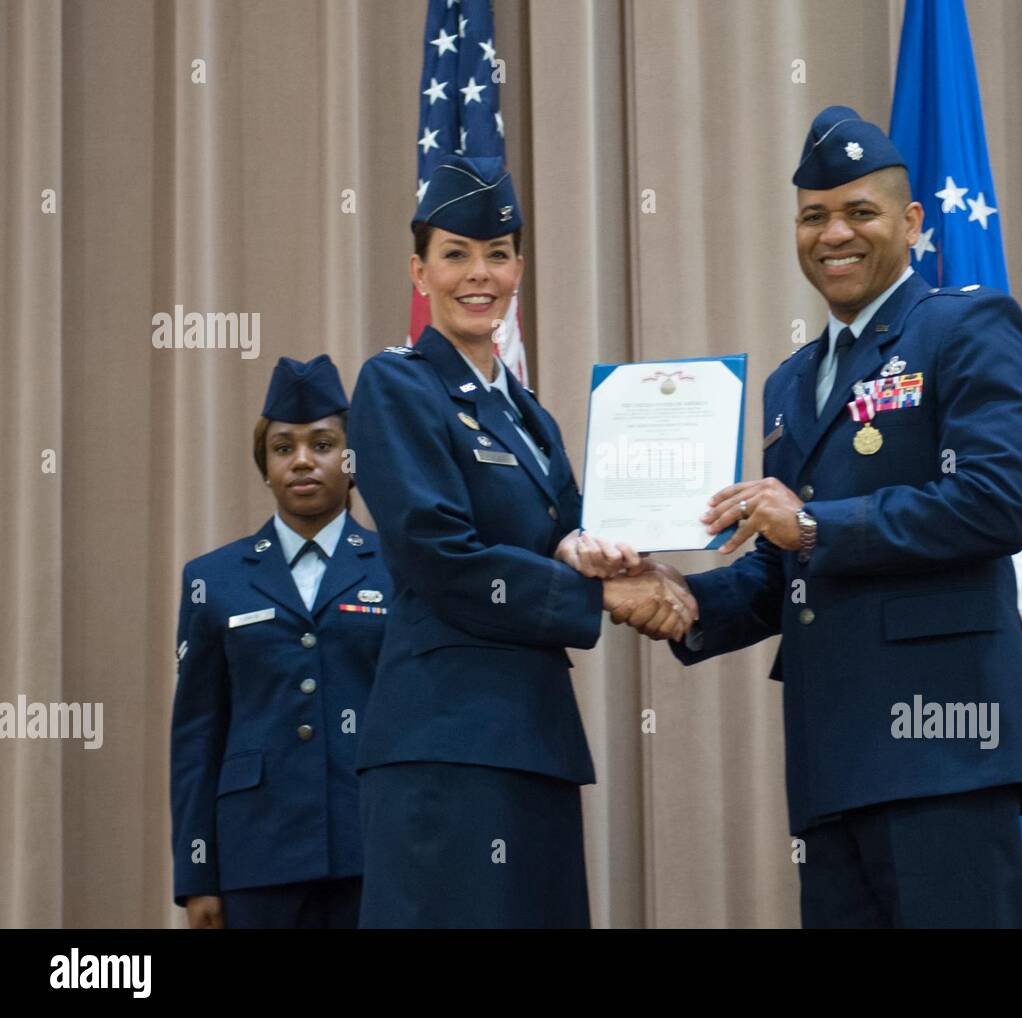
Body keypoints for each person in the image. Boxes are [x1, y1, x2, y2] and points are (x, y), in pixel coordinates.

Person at [630, 106, 1022, 928]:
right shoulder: (790, 382)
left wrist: (817, 527)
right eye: (814, 216)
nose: (834, 234)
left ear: (912, 221)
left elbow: (996, 503)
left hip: (944, 752)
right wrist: (677, 598)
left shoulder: (964, 326)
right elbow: (784, 561)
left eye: (860, 212)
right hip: (833, 766)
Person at [347, 154, 692, 928]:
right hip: (446, 740)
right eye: (456, 254)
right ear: (419, 271)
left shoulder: (532, 418)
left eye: (497, 254)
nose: (480, 275)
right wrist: (598, 592)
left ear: (519, 269)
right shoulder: (396, 385)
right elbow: (439, 555)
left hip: (535, 738)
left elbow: (573, 530)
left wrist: (604, 553)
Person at [170, 354, 393, 929]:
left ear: (352, 461)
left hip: (375, 847)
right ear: (265, 468)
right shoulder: (213, 579)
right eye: (282, 447)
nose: (302, 460)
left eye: (322, 444)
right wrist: (197, 876)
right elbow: (197, 735)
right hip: (256, 855)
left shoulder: (400, 569)